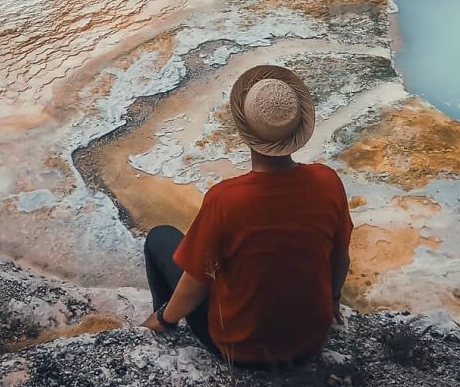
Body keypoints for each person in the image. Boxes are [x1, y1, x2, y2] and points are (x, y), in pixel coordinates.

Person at [141, 64, 353, 368]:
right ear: (297, 130)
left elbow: (195, 283)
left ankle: (165, 328)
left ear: (245, 132)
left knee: (160, 237)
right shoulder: (327, 182)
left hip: (241, 349)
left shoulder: (226, 200)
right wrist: (332, 301)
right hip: (311, 340)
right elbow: (340, 257)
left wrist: (163, 317)